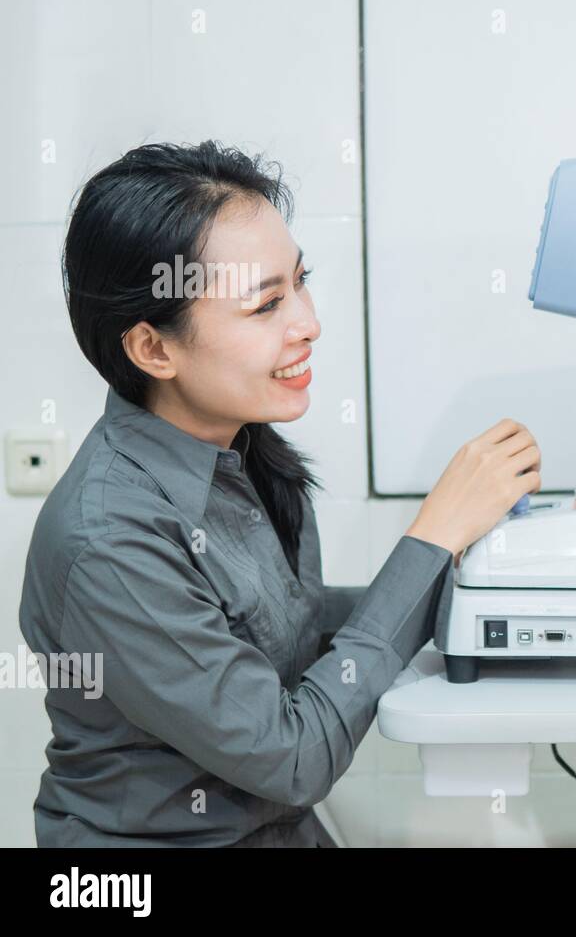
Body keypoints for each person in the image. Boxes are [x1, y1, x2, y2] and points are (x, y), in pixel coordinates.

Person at [18, 141, 540, 846]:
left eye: (300, 281)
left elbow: (286, 625)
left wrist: (493, 591)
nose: (308, 323)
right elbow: (292, 756)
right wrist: (433, 538)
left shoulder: (237, 447)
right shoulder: (109, 542)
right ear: (152, 349)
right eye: (266, 305)